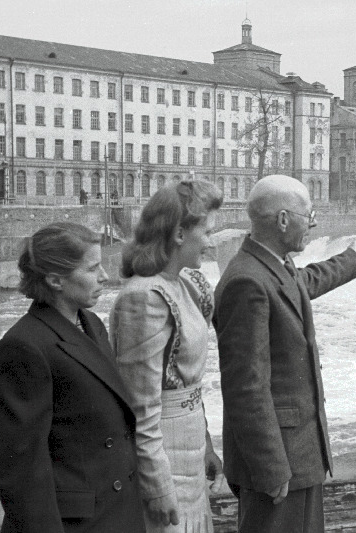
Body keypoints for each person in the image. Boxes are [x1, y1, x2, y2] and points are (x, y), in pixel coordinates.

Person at [214, 174, 356, 533]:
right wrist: (271, 468)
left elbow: (306, 282)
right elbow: (246, 388)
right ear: (284, 219)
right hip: (277, 465)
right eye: (309, 214)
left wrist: (351, 260)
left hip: (299, 455)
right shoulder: (247, 281)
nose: (314, 222)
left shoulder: (273, 267)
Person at [0, 222, 145, 532]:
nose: (104, 276)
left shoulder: (90, 323)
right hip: (77, 522)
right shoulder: (24, 347)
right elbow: (23, 468)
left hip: (117, 509)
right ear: (56, 280)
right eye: (92, 268)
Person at [110, 180, 224, 532]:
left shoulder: (188, 284)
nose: (211, 241)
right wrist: (157, 489)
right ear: (178, 233)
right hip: (165, 458)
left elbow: (189, 385)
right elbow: (140, 409)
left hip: (189, 453)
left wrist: (205, 445)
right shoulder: (144, 297)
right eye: (206, 231)